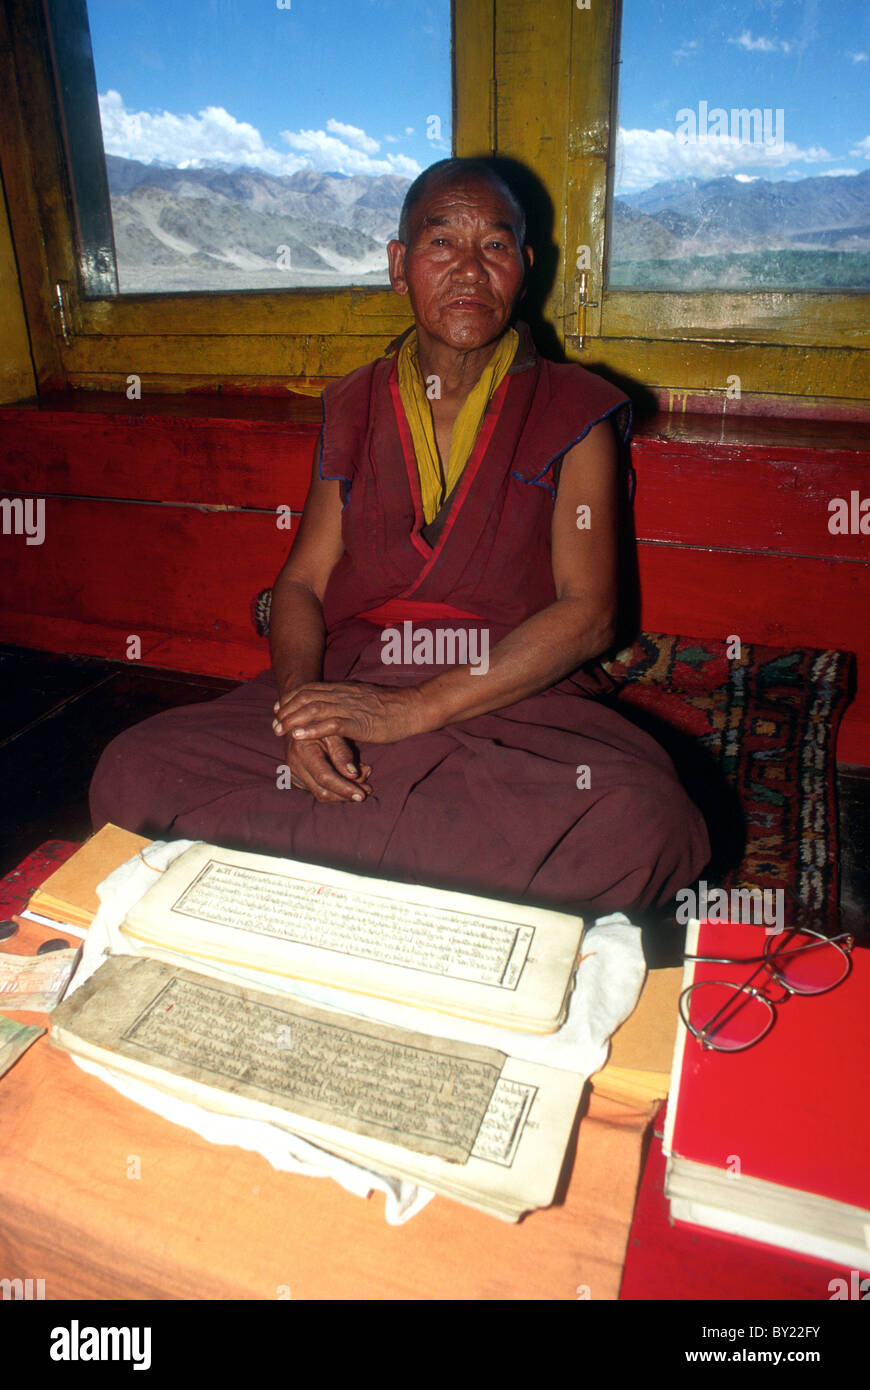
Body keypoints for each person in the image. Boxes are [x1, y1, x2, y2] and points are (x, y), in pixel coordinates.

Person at [90, 158, 710, 916]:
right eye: (441, 242)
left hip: (506, 693)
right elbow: (301, 585)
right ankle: (416, 907)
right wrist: (301, 709)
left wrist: (413, 711)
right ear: (398, 264)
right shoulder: (354, 404)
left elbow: (589, 613)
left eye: (496, 246)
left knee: (644, 825)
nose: (469, 271)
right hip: (356, 672)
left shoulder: (574, 409)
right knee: (133, 770)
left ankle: (304, 897)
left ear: (526, 268)